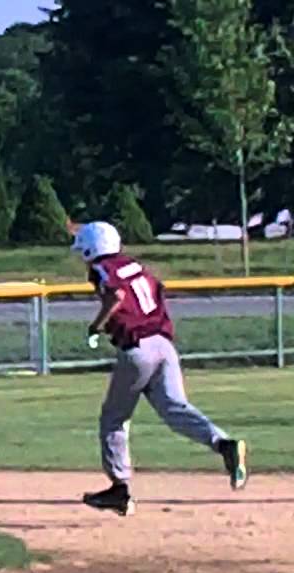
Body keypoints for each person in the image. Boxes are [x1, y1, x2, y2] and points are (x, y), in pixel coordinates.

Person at [70, 220, 248, 517]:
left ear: (92, 247)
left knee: (114, 418)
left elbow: (117, 296)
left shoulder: (103, 268)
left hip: (137, 347)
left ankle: (120, 489)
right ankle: (224, 444)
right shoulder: (135, 265)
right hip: (163, 344)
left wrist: (95, 326)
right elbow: (157, 293)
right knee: (175, 408)